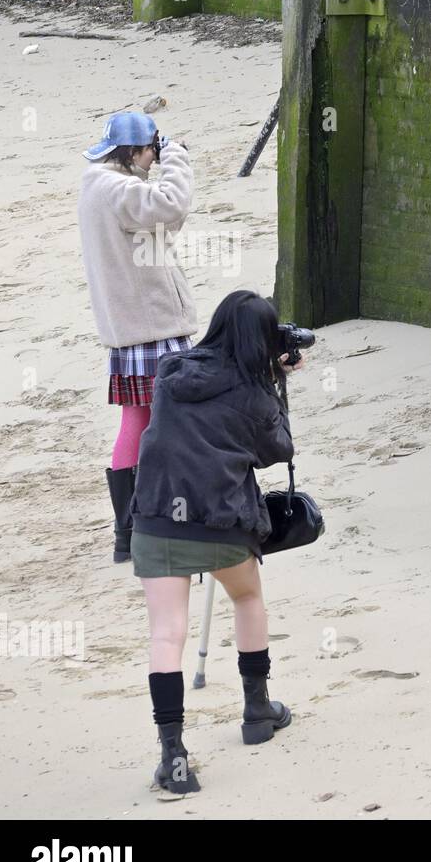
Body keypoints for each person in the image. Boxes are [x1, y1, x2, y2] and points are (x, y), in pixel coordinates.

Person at [130, 290, 301, 794]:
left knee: (166, 634)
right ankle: (256, 709)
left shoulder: (172, 371)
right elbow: (279, 450)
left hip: (158, 519)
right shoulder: (253, 392)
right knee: (247, 598)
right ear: (265, 343)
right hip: (223, 524)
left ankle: (174, 754)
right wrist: (275, 383)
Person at [77, 112, 196, 562]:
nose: (156, 155)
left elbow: (158, 222)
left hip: (127, 328)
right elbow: (172, 207)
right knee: (177, 421)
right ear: (133, 150)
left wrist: (161, 161)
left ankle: (129, 532)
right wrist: (178, 158)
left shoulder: (97, 184)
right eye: (152, 149)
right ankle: (169, 517)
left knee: (137, 422)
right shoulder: (119, 189)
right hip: (152, 328)